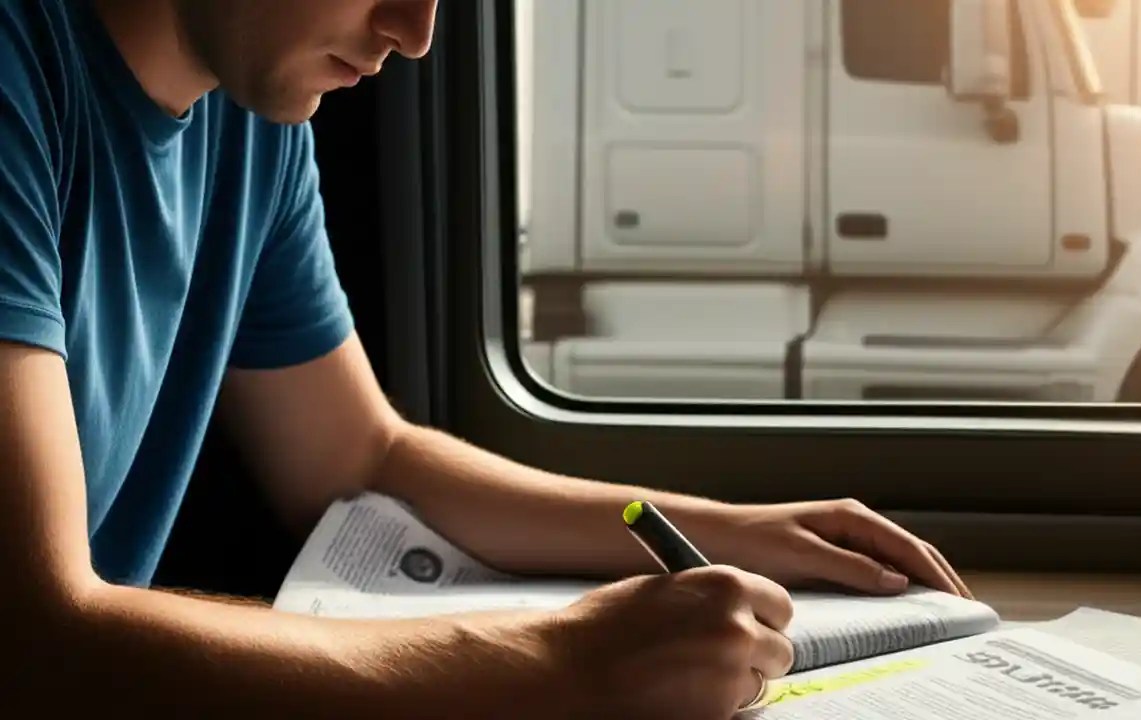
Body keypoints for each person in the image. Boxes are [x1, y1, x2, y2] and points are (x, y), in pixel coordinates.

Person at [0, 0, 971, 716]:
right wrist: (566, 662)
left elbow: (358, 456)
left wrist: (729, 530)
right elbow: (38, 636)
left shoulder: (249, 121)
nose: (413, 30)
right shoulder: (17, 78)